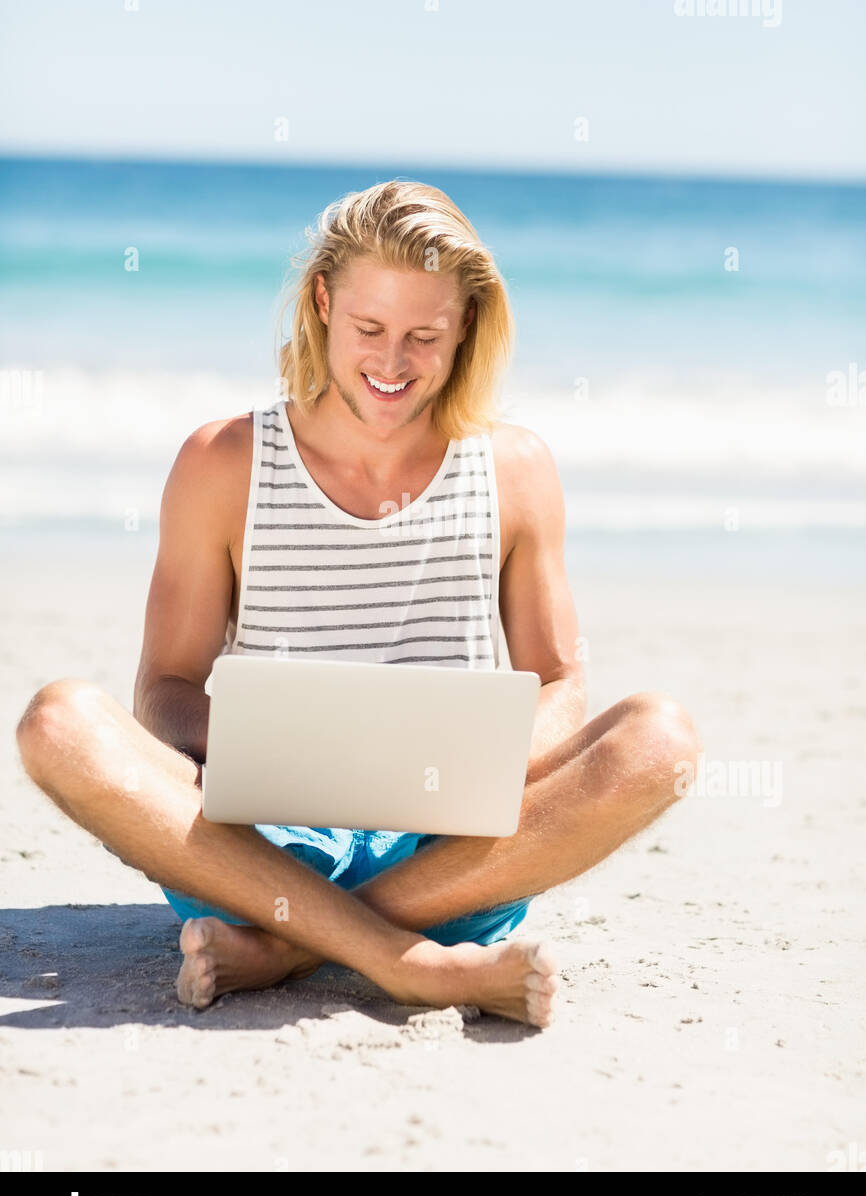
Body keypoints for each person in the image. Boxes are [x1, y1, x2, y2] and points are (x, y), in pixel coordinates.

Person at [15, 180, 700, 1029]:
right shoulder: (224, 462)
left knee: (660, 737)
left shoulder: (514, 468)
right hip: (263, 847)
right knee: (60, 722)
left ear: (467, 330)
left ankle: (288, 948)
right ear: (322, 301)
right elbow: (165, 690)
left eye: (425, 336)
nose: (392, 362)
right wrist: (282, 748)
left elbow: (561, 681)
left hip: (450, 857)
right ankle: (407, 965)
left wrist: (473, 762)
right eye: (370, 330)